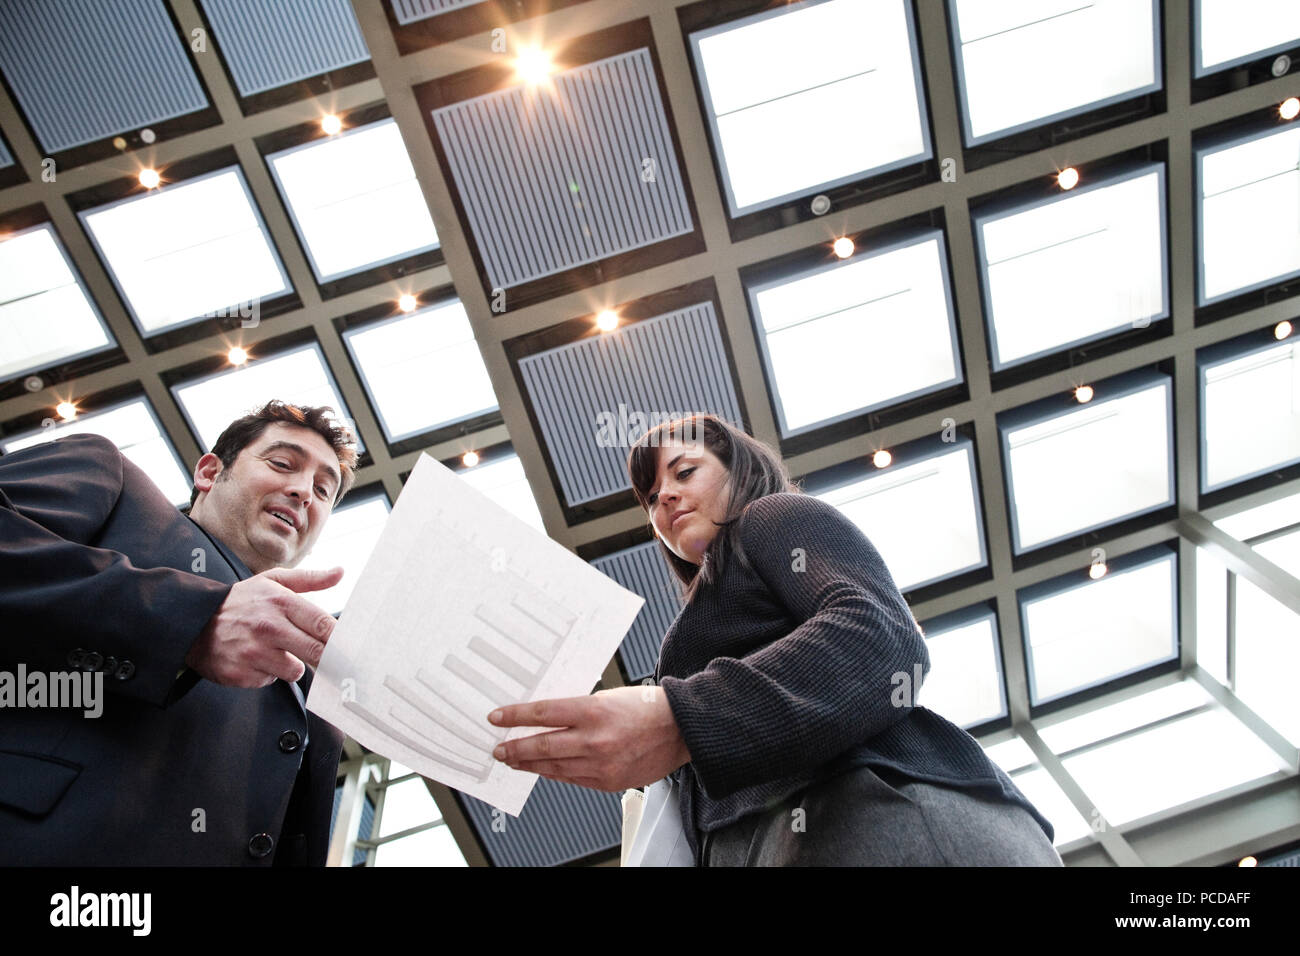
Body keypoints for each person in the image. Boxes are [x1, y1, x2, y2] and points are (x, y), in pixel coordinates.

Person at [489, 414, 1062, 866]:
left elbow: (878, 633)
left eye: (684, 473)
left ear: (738, 471)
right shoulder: (695, 620)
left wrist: (680, 719)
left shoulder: (769, 518)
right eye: (650, 496)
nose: (662, 497)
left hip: (876, 816)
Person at [0, 400, 357, 865]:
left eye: (324, 490)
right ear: (209, 472)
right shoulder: (112, 477)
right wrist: (193, 619)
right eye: (282, 463)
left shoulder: (318, 683)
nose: (303, 491)